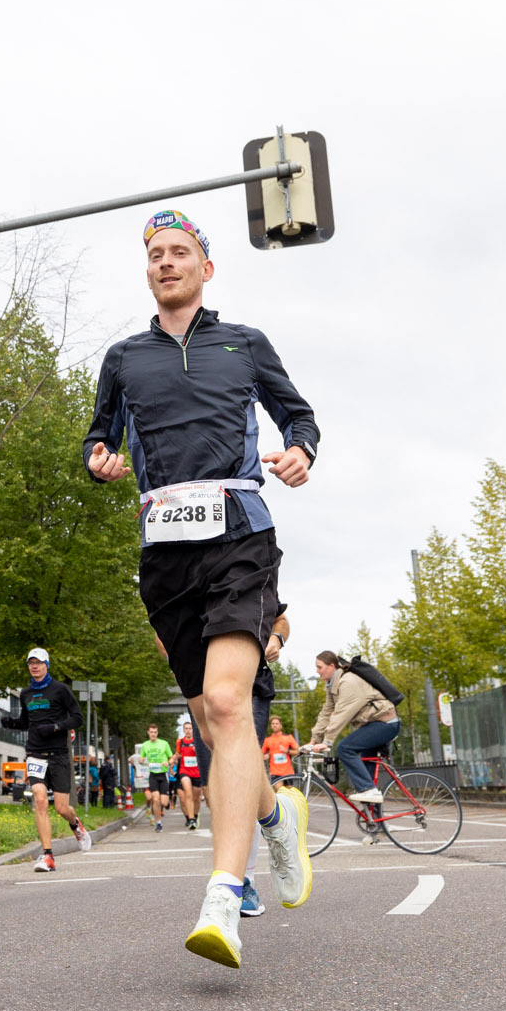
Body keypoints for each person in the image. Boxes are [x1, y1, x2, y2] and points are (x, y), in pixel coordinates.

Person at [83, 207, 317, 969]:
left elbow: (298, 413)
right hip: (164, 550)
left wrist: (300, 451)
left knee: (226, 703)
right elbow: (98, 434)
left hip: (240, 533)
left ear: (205, 267)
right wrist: (99, 459)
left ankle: (224, 893)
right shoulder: (123, 357)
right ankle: (278, 817)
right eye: (154, 253)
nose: (165, 261)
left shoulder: (243, 343)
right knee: (218, 730)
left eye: (179, 251)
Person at [2, 649, 92, 872]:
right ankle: (48, 856)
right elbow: (27, 722)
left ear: (46, 665)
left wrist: (55, 727)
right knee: (40, 800)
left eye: (38, 663)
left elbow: (77, 718)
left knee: (62, 808)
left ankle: (75, 824)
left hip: (58, 754)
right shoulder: (26, 694)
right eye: (30, 663)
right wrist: (11, 723)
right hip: (35, 753)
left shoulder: (60, 690)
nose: (34, 666)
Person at [305, 651, 400, 811]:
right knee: (367, 778)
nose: (317, 671)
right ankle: (376, 824)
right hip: (372, 726)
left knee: (345, 748)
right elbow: (326, 713)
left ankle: (369, 791)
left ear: (331, 666)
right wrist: (313, 740)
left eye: (319, 667)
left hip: (386, 724)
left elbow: (341, 713)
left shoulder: (348, 682)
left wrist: (327, 741)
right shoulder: (331, 686)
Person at [133, 724, 175, 831]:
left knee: (163, 803)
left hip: (163, 774)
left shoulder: (164, 744)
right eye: (151, 732)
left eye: (155, 732)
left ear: (157, 733)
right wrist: (141, 760)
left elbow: (172, 757)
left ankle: (167, 802)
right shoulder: (145, 745)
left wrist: (168, 762)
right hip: (153, 775)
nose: (153, 734)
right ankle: (159, 823)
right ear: (148, 732)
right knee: (155, 800)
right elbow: (141, 758)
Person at [173, 719, 204, 831]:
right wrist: (171, 761)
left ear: (193, 730)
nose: (188, 731)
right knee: (188, 793)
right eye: (186, 729)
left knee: (197, 797)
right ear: (183, 730)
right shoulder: (179, 742)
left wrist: (199, 750)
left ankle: (195, 815)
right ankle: (190, 819)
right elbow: (177, 754)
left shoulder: (198, 741)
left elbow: (205, 754)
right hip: (184, 771)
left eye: (190, 728)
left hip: (197, 772)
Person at [262, 715, 300, 790]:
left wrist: (287, 751)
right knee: (280, 793)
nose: (275, 725)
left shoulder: (288, 737)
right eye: (273, 724)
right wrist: (265, 756)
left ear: (281, 726)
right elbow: (261, 754)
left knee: (290, 794)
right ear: (271, 726)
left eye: (277, 723)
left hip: (288, 771)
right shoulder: (267, 740)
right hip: (275, 771)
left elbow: (297, 751)